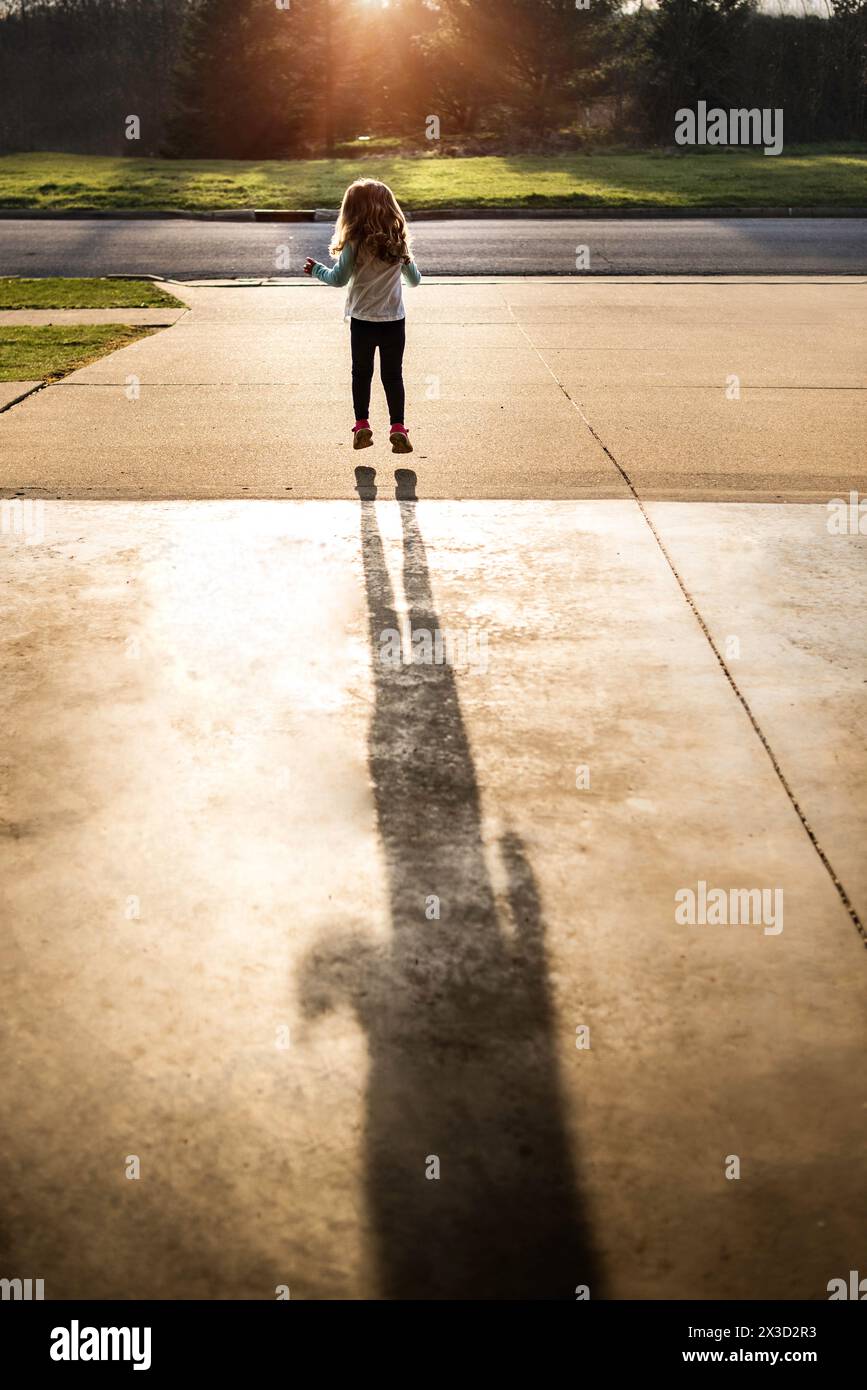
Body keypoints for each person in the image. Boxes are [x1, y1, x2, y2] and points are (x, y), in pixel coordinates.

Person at [304, 179, 422, 454]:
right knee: (393, 375)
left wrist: (317, 270)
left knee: (362, 374)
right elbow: (415, 281)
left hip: (363, 321)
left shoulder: (354, 243)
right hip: (394, 320)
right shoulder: (398, 242)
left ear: (352, 211)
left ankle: (362, 424)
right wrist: (406, 261)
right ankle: (398, 427)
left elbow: (338, 278)